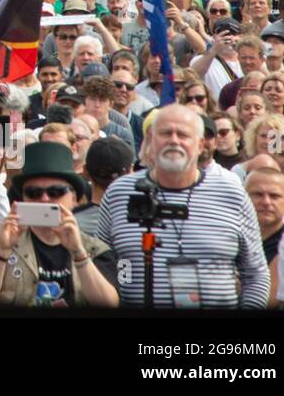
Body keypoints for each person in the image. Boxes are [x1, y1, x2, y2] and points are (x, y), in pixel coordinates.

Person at [98, 105, 269, 308]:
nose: (174, 140)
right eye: (165, 133)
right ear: (150, 141)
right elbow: (108, 264)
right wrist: (125, 283)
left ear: (200, 145)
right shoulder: (120, 193)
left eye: (183, 134)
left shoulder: (232, 194)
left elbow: (255, 274)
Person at [0, 141, 119, 307]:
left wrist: (79, 253)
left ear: (74, 199)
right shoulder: (0, 244)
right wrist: (1, 252)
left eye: (56, 192)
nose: (44, 199)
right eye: (34, 193)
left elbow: (109, 303)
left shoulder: (95, 249)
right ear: (23, 198)